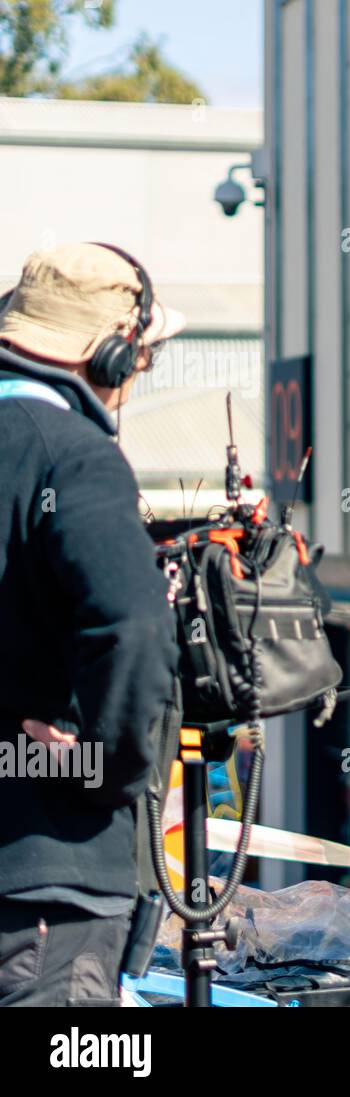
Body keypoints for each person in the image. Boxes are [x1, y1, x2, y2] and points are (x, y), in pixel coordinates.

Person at [0, 242, 184, 1006]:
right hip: (49, 887)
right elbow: (134, 627)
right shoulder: (75, 456)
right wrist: (108, 768)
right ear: (110, 355)